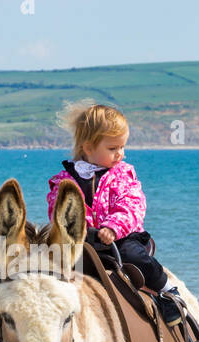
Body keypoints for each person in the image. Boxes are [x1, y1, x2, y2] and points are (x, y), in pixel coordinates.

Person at [47, 102, 185, 326]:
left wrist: (113, 227)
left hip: (118, 239)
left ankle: (167, 292)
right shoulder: (64, 180)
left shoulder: (122, 174)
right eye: (113, 148)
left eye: (122, 147)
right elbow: (57, 207)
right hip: (81, 242)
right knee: (50, 263)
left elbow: (132, 203)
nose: (119, 154)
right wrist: (74, 229)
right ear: (88, 147)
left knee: (135, 256)